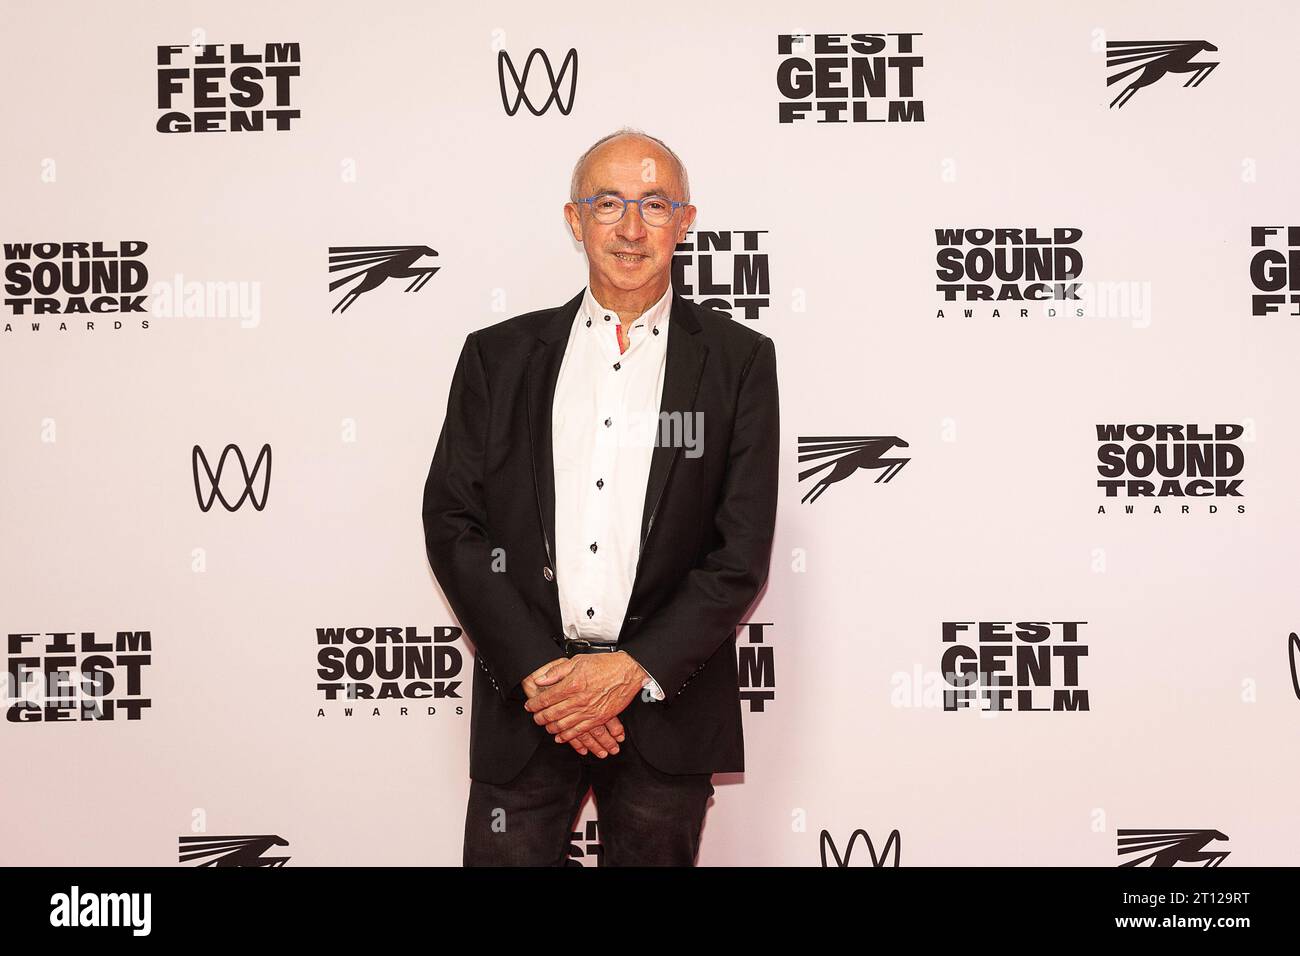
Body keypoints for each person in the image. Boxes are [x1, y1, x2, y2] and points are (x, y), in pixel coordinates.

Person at [422, 127, 779, 865]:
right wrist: (546, 678)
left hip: (664, 709)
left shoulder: (740, 361)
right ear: (573, 218)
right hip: (528, 709)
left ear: (685, 221)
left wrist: (625, 672)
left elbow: (737, 552)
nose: (630, 226)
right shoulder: (499, 357)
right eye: (608, 202)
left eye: (654, 204)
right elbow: (453, 524)